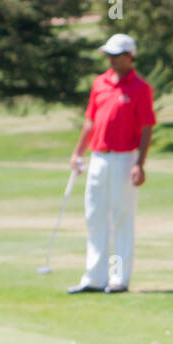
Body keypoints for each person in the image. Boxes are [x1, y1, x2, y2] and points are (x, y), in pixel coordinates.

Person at [67, 33, 156, 295]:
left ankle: (119, 278)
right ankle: (94, 277)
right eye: (110, 55)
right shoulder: (99, 83)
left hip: (124, 158)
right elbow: (90, 122)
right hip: (98, 157)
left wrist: (139, 163)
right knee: (94, 217)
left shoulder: (141, 88)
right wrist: (77, 153)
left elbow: (147, 128)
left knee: (121, 217)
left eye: (117, 55)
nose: (112, 60)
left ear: (130, 57)